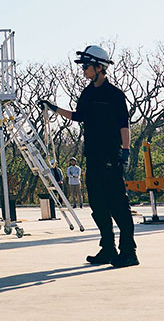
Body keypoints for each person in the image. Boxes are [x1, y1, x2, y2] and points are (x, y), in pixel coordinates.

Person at [40, 45, 136, 268]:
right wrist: (53, 108)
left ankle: (129, 252)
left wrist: (125, 152)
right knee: (98, 205)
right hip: (92, 157)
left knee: (118, 205)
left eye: (86, 66)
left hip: (111, 156)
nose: (83, 70)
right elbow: (78, 116)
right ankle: (108, 248)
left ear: (99, 67)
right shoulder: (87, 93)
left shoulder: (114, 95)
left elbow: (124, 125)